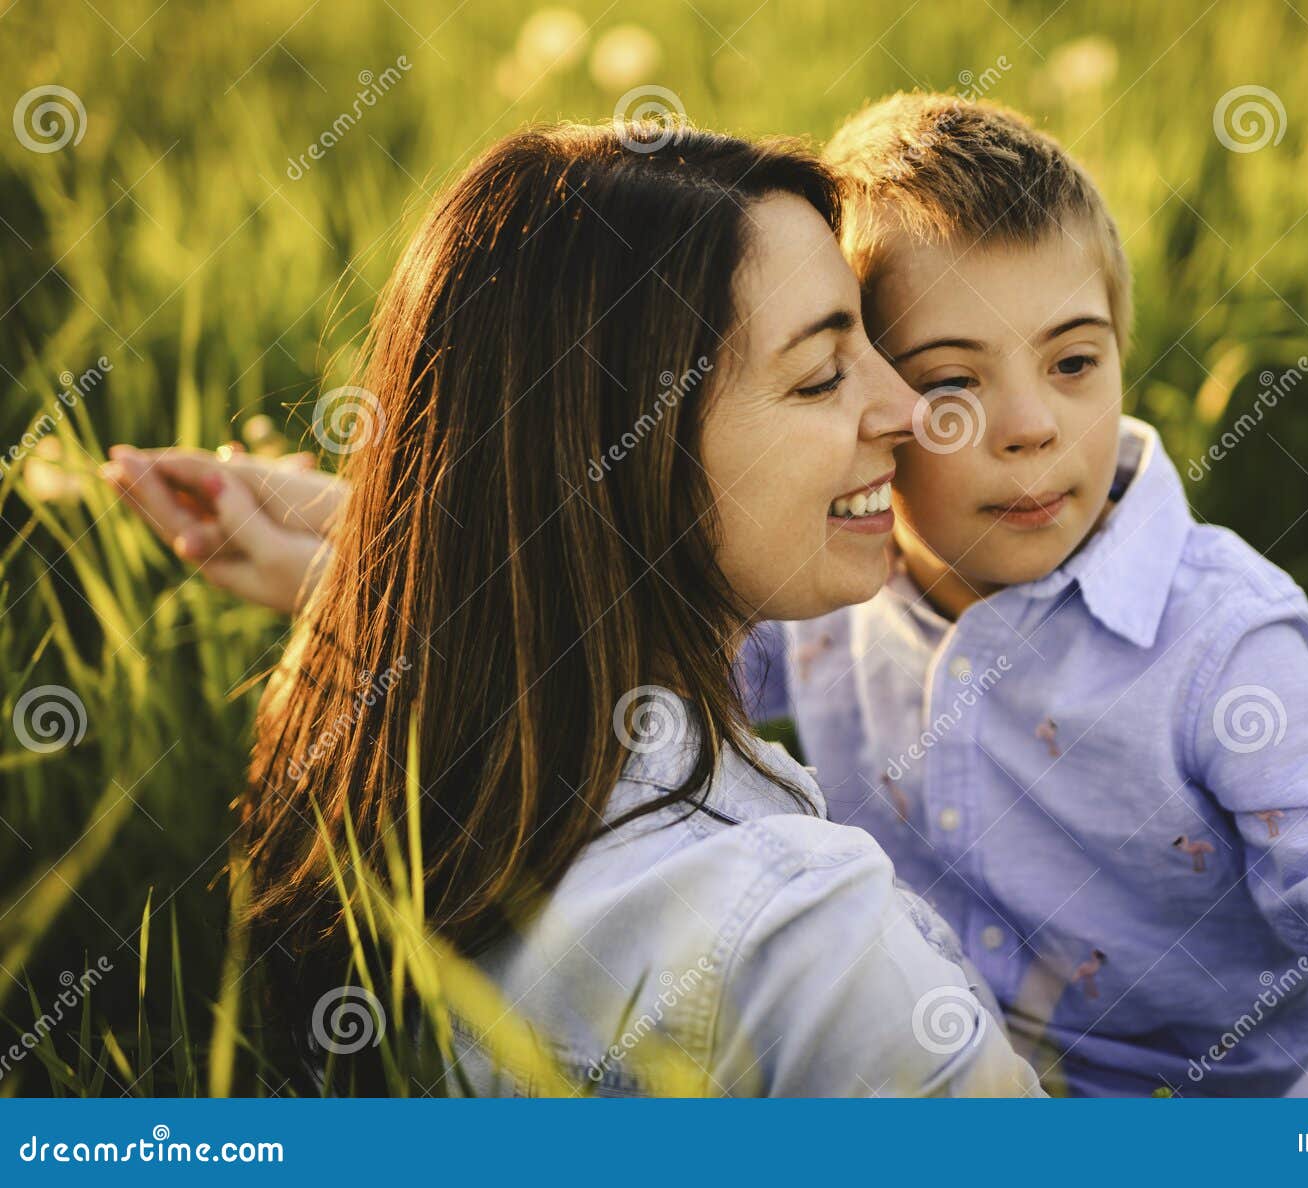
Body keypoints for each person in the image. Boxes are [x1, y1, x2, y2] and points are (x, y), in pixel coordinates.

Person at [102, 121, 1044, 1097]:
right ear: (629, 451)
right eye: (818, 375)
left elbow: (523, 566)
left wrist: (373, 550)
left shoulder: (380, 758)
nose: (906, 408)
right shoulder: (805, 936)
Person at [738, 92, 1308, 1097]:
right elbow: (661, 669)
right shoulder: (835, 575)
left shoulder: (1224, 641)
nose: (1030, 426)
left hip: (1234, 1092)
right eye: (950, 384)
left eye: (1071, 362)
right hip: (975, 1071)